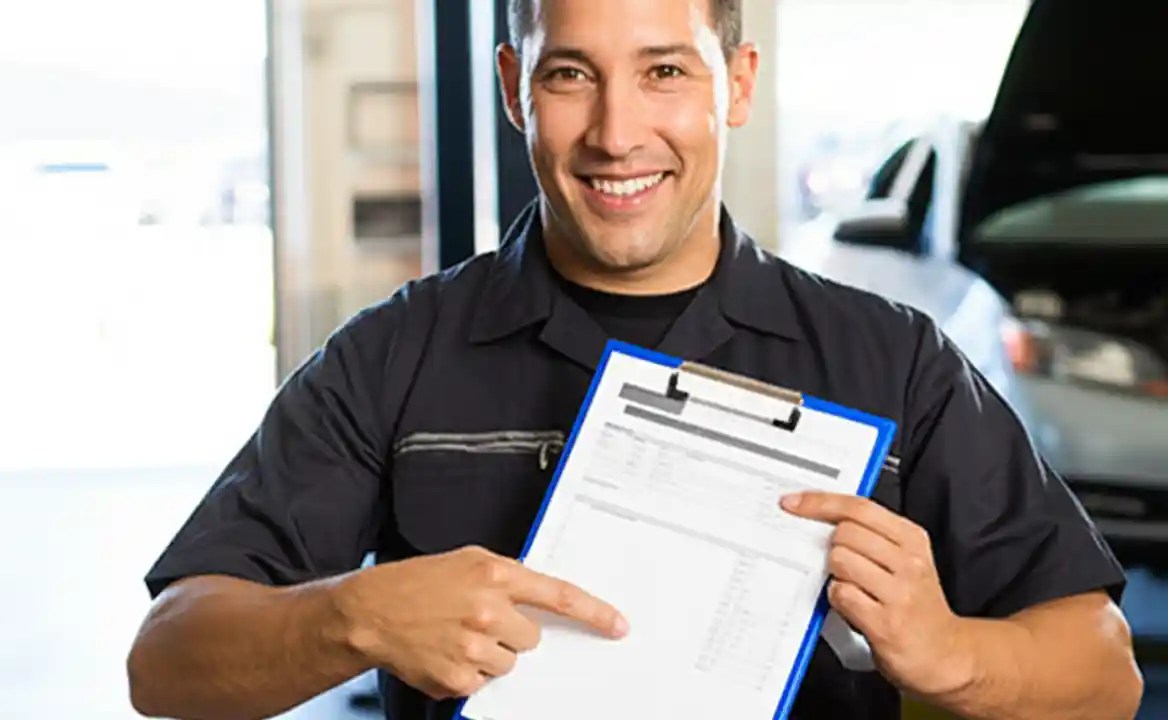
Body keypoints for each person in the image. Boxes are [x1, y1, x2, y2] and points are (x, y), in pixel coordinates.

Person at [126, 0, 1144, 718]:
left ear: (735, 85)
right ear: (514, 90)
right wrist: (348, 618)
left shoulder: (891, 360)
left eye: (664, 70)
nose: (617, 135)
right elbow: (167, 661)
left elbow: (1103, 673)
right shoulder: (395, 355)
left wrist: (952, 653)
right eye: (570, 74)